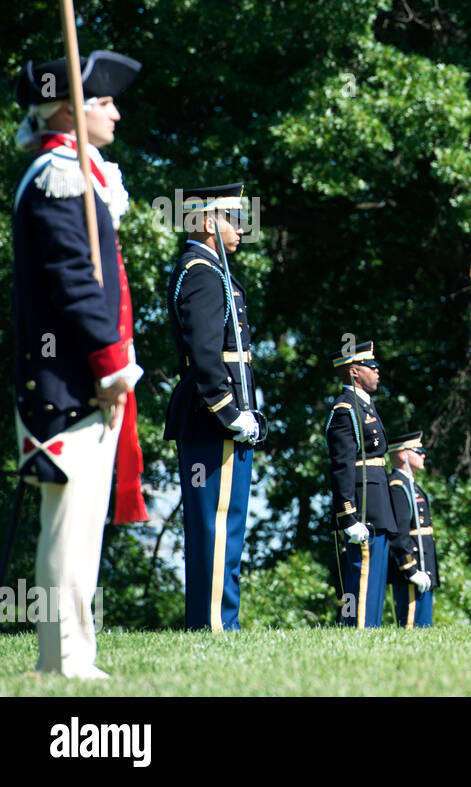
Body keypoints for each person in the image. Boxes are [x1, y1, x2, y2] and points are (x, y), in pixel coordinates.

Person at [11, 50, 145, 678]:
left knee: (82, 529)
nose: (115, 112)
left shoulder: (75, 171)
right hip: (68, 380)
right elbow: (76, 284)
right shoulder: (58, 175)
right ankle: (62, 661)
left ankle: (72, 658)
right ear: (69, 108)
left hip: (80, 377)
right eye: (103, 101)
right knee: (67, 530)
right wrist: (113, 365)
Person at [163, 183, 259, 632]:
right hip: (211, 419)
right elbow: (205, 354)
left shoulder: (211, 269)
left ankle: (216, 620)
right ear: (205, 222)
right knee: (217, 527)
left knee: (223, 526)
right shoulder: (201, 271)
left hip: (219, 418)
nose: (241, 229)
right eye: (232, 220)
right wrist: (229, 411)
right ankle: (216, 625)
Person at [325, 340, 400, 628]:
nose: (377, 371)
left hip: (378, 503)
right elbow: (342, 465)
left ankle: (371, 633)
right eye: (371, 366)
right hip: (362, 505)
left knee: (376, 581)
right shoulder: (345, 410)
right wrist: (348, 515)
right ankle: (358, 634)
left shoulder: (364, 406)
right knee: (362, 578)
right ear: (354, 372)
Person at [387, 431, 437, 628]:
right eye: (419, 451)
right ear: (403, 455)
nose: (423, 455)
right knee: (411, 627)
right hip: (412, 569)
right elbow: (399, 535)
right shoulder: (398, 487)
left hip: (424, 566)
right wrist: (411, 569)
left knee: (422, 626)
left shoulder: (411, 485)